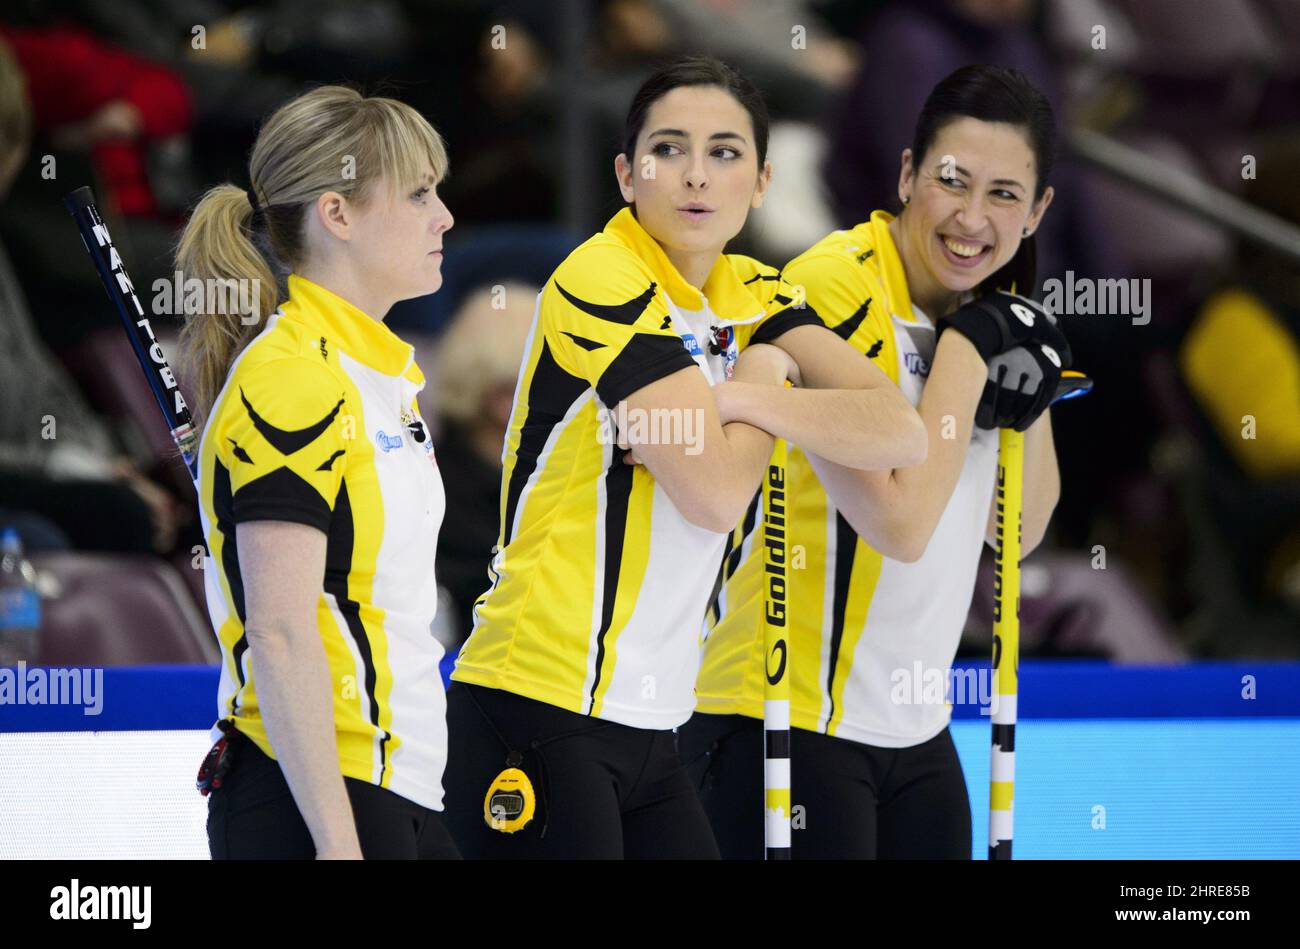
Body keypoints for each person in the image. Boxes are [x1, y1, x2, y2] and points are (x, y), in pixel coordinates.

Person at [441, 56, 926, 859]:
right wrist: (775, 376)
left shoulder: (758, 295)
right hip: (534, 702)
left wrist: (745, 394)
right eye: (669, 150)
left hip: (653, 718)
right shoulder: (601, 276)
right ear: (628, 174)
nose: (697, 175)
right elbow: (715, 493)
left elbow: (899, 432)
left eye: (726, 152)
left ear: (763, 181)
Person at [683, 64, 1071, 858]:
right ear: (906, 174)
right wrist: (970, 354)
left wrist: (1026, 385)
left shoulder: (994, 314)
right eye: (951, 181)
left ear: (1037, 212)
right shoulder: (834, 286)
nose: (971, 218)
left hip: (916, 727)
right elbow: (898, 523)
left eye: (1004, 195)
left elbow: (1020, 531)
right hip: (782, 716)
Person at [177, 85, 459, 859]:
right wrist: (338, 844)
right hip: (317, 800)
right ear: (337, 214)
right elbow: (279, 629)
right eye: (419, 192)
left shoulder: (372, 378)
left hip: (396, 788)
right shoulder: (292, 379)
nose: (446, 216)